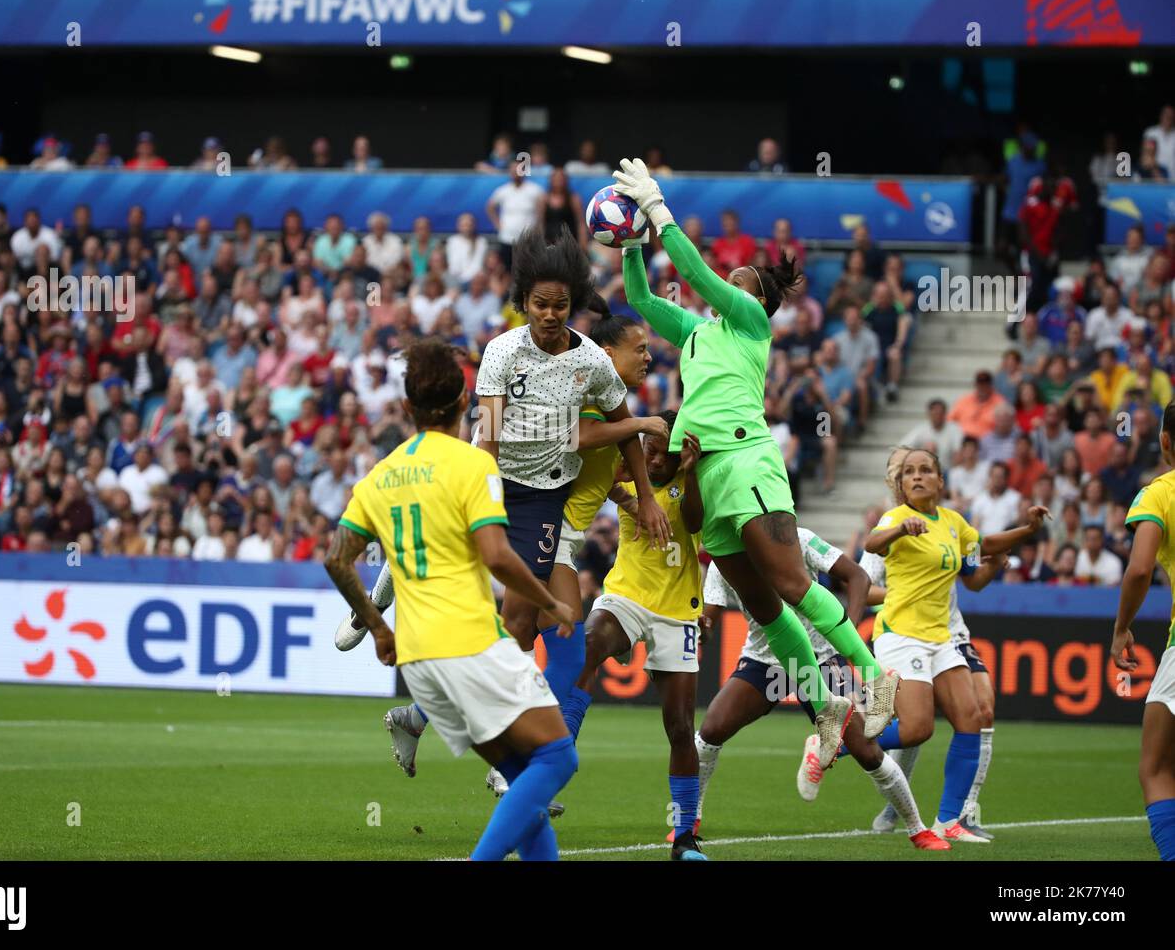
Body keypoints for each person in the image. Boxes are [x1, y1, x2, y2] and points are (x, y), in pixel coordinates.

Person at [612, 156, 898, 768]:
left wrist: (659, 210)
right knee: (767, 613)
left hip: (746, 460)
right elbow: (638, 295)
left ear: (758, 301)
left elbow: (697, 275)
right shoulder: (694, 332)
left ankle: (875, 675)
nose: (730, 283)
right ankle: (826, 707)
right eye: (731, 279)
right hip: (707, 477)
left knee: (794, 585)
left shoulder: (748, 324)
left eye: (740, 280)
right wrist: (633, 240)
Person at [381, 227, 669, 780]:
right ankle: (511, 761)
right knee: (534, 631)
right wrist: (478, 498)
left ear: (574, 305)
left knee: (525, 631)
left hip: (541, 502)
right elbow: (486, 437)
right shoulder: (501, 354)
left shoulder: (593, 364)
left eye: (561, 304)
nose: (550, 313)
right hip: (492, 482)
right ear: (523, 304)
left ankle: (452, 733)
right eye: (540, 303)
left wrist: (645, 497)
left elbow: (621, 434)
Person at [324, 339, 577, 861]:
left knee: (520, 776)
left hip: (416, 660)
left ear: (407, 409)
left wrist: (378, 628)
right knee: (556, 759)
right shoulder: (472, 464)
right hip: (469, 642)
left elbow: (336, 558)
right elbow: (499, 557)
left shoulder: (382, 475)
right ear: (466, 403)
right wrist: (551, 605)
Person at [695, 531, 949, 851]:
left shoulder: (797, 538)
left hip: (822, 659)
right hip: (766, 662)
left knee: (866, 749)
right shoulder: (725, 560)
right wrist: (700, 628)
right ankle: (690, 818)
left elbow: (857, 576)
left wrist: (847, 631)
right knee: (710, 731)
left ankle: (918, 829)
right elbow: (711, 616)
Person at [861, 448, 1047, 843]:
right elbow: (872, 550)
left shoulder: (951, 524)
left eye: (925, 470)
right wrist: (898, 538)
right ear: (899, 483)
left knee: (975, 716)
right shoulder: (895, 520)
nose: (916, 477)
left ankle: (954, 818)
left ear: (941, 481)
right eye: (908, 472)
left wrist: (1025, 532)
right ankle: (846, 741)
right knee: (916, 728)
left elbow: (980, 557)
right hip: (902, 632)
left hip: (945, 635)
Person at [552, 411, 710, 859]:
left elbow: (695, 523)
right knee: (586, 647)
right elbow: (602, 480)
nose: (654, 459)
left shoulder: (686, 488)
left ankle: (684, 837)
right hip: (626, 597)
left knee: (680, 728)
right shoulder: (633, 484)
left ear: (682, 458)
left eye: (664, 454)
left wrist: (692, 475)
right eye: (649, 450)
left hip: (678, 613)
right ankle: (554, 764)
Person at [1112, 400, 1175, 860]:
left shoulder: (1159, 493)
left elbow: (1138, 571)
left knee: (1155, 768)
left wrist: (1122, 628)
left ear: (1165, 441)